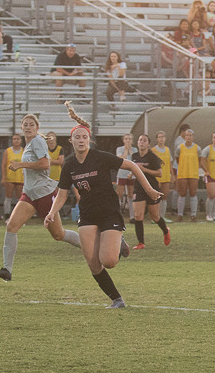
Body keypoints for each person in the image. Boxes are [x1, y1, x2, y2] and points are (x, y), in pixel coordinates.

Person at [49, 106, 161, 308]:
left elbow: (132, 166)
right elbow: (62, 193)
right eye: (77, 138)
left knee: (108, 261)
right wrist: (52, 213)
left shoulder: (100, 157)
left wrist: (149, 189)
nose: (81, 140)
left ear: (88, 140)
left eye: (84, 137)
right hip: (88, 215)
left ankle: (119, 243)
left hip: (109, 212)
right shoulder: (69, 165)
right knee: (93, 263)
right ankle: (116, 299)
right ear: (71, 141)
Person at [0, 114, 95, 281]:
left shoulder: (38, 141)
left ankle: (95, 245)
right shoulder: (29, 144)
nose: (28, 127)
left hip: (45, 194)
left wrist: (20, 165)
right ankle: (6, 269)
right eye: (25, 124)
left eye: (31, 124)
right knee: (11, 226)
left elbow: (45, 164)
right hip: (30, 194)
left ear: (37, 128)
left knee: (58, 235)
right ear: (21, 127)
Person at [131, 130, 173, 249]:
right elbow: (133, 169)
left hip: (152, 188)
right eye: (140, 140)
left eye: (144, 141)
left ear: (148, 144)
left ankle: (165, 230)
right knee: (138, 216)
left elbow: (159, 173)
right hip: (139, 188)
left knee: (155, 217)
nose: (141, 142)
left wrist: (143, 170)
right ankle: (141, 242)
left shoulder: (153, 157)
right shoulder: (134, 156)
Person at [172, 125, 203, 222]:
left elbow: (199, 160)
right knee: (182, 193)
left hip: (193, 174)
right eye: (187, 135)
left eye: (190, 135)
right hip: (182, 174)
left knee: (193, 193)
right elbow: (177, 160)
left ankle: (193, 215)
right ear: (184, 137)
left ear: (193, 137)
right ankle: (180, 214)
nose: (188, 137)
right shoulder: (179, 148)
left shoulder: (197, 148)